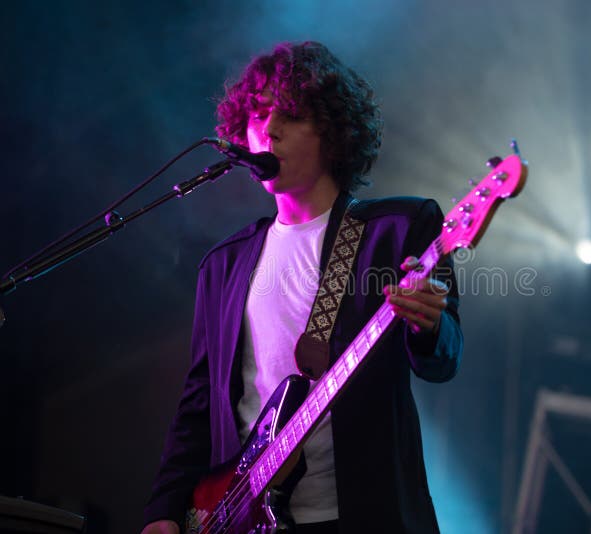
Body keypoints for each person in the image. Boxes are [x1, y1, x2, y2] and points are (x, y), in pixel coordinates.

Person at [141, 41, 463, 534]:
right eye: (257, 115)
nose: (267, 130)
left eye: (288, 116)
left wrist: (429, 323)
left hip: (358, 515)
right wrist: (163, 509)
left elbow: (442, 360)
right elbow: (200, 402)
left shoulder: (399, 228)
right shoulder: (223, 265)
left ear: (332, 134)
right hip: (239, 516)